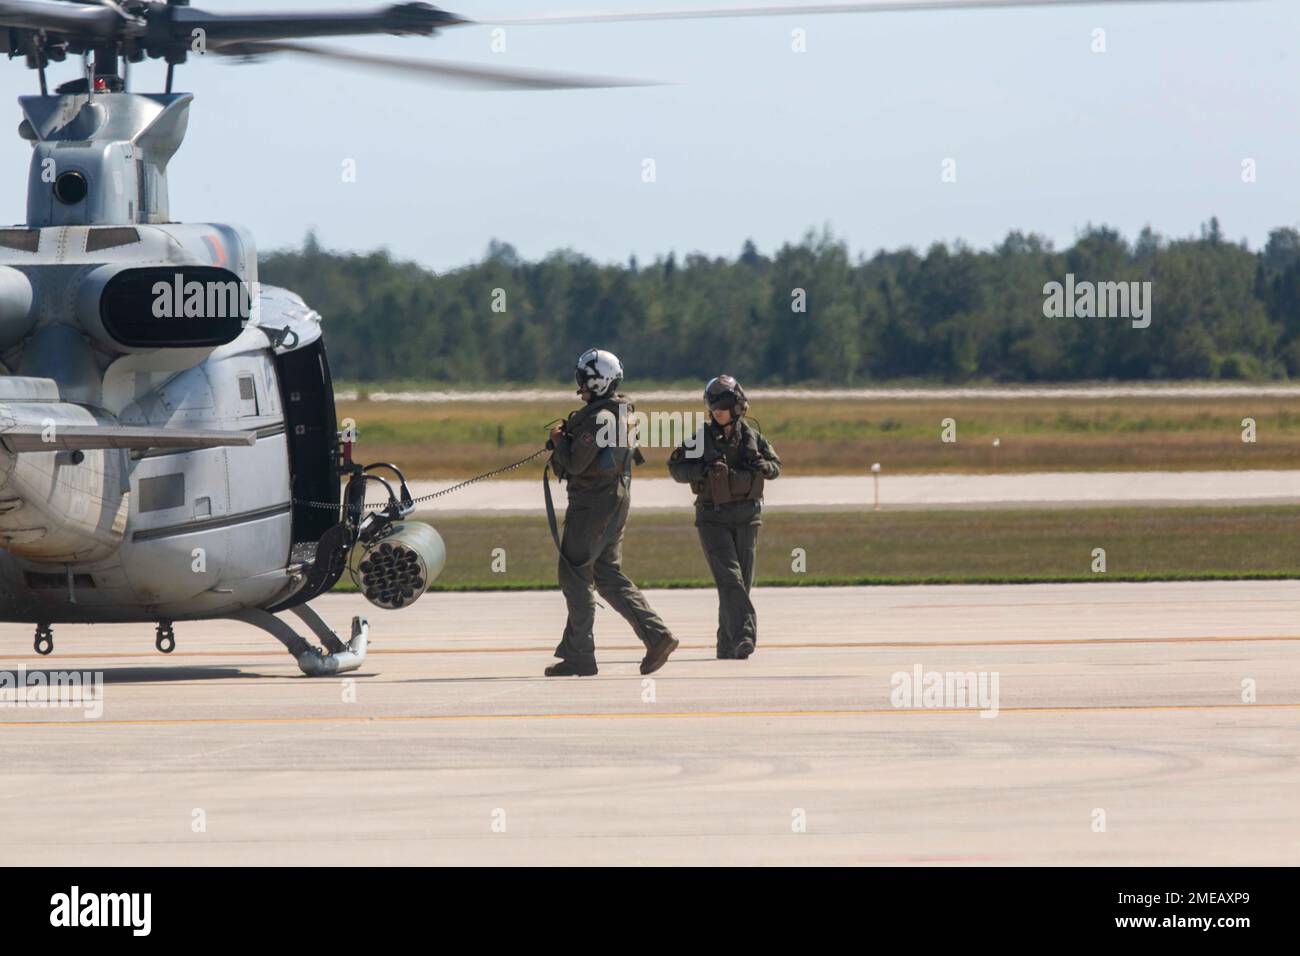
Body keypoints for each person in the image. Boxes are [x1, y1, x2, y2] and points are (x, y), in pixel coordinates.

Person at [545, 348, 679, 677]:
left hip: (593, 506)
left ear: (598, 381)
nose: (581, 386)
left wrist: (558, 442)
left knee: (574, 574)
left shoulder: (601, 417)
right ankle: (657, 636)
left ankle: (580, 655)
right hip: (614, 501)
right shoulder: (620, 411)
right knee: (606, 575)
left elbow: (576, 462)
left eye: (585, 380)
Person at [668, 374, 781, 660]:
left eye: (722, 408)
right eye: (714, 408)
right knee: (730, 579)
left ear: (737, 407)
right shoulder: (700, 439)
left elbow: (775, 466)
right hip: (713, 519)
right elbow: (676, 467)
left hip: (748, 517)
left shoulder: (753, 437)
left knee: (741, 581)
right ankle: (745, 635)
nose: (717, 413)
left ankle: (726, 646)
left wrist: (763, 466)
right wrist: (701, 471)